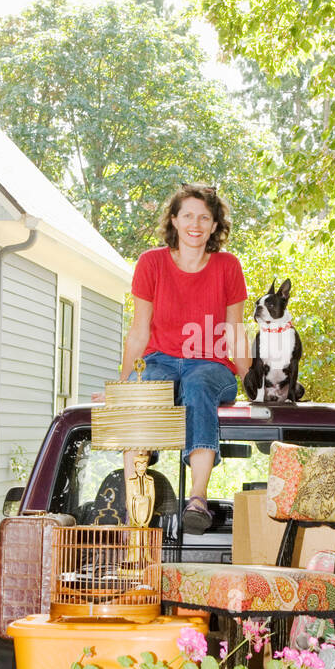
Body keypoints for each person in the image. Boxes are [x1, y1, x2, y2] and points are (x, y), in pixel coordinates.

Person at [120, 183, 252, 533]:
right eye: (188, 215)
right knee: (147, 385)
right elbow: (139, 330)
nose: (196, 223)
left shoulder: (227, 266)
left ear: (213, 226)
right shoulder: (151, 263)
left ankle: (197, 499)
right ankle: (135, 505)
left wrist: (257, 389)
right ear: (174, 221)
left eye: (204, 217)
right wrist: (123, 384)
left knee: (196, 385)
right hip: (160, 359)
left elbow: (235, 331)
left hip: (212, 365)